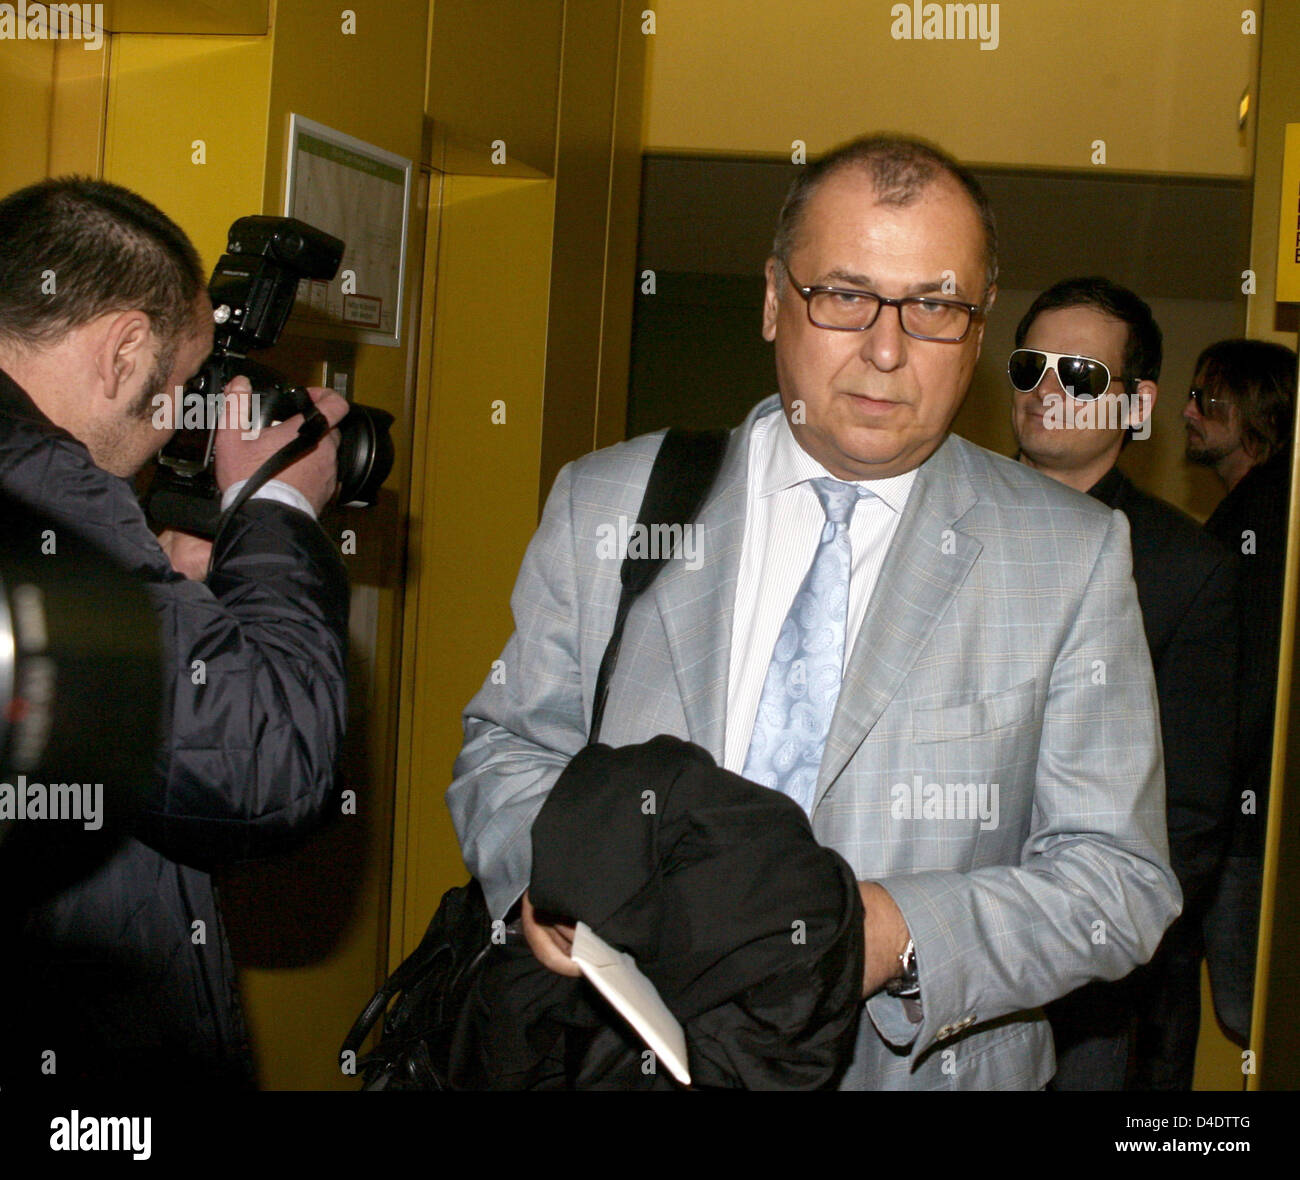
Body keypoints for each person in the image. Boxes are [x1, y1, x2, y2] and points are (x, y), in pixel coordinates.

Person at [447, 134, 1181, 1090]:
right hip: (614, 1056)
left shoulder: (1069, 555)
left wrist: (893, 934)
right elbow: (505, 749)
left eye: (935, 306)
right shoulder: (614, 504)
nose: (886, 350)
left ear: (978, 326)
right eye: (844, 295)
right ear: (771, 300)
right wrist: (550, 881)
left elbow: (1121, 880)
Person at [0, 177, 351, 1090]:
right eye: (185, 386)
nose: (178, 428)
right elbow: (267, 763)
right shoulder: (40, 482)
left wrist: (147, 589)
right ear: (122, 350)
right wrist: (276, 501)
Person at [1008, 277, 1236, 1089]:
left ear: (1136, 406)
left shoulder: (1186, 569)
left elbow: (1191, 813)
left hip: (1092, 987)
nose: (1044, 389)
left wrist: (1082, 945)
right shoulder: (935, 516)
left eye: (1077, 375)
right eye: (1031, 365)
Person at [1184, 337, 1297, 1044]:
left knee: (1250, 1011)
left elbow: (1250, 682)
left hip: (1251, 821)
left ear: (1257, 408)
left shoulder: (1262, 515)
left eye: (1208, 397)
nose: (1189, 411)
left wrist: (1214, 804)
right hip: (1252, 812)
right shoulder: (1259, 509)